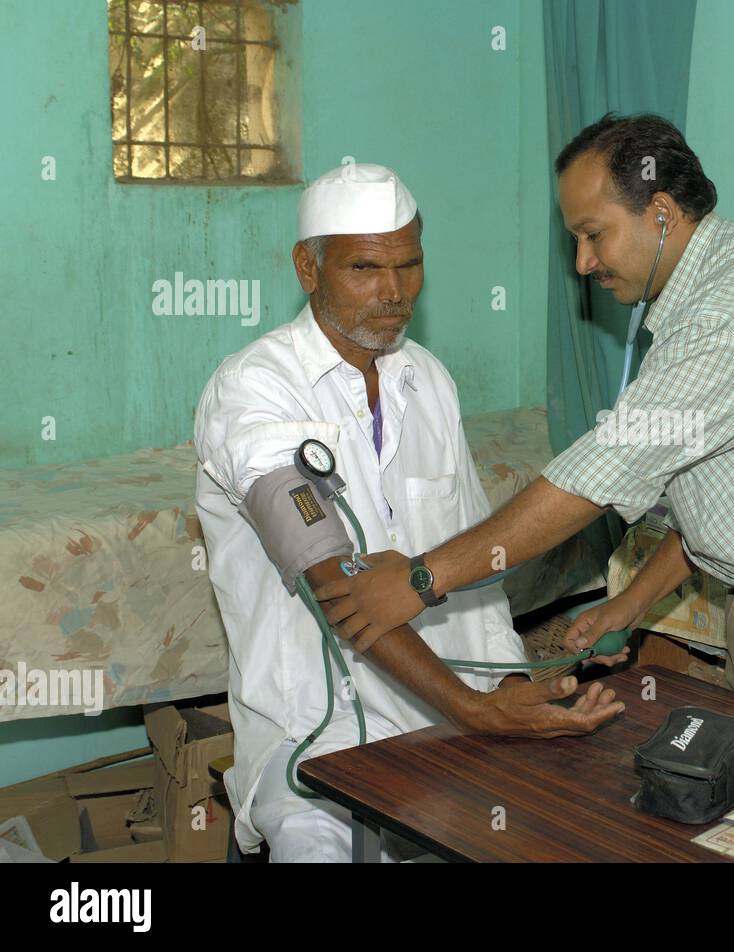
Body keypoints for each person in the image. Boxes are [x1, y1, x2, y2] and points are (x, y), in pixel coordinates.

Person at [315, 117, 734, 751]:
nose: (583, 262)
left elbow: (593, 478)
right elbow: (729, 493)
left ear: (659, 211)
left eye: (593, 234)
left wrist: (422, 580)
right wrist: (630, 605)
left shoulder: (733, 313)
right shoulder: (708, 292)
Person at [194, 163, 622, 862]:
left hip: (448, 720)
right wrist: (474, 708)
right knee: (316, 843)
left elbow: (477, 566)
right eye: (365, 267)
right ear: (309, 266)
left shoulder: (429, 381)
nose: (394, 293)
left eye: (410, 265)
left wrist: (511, 688)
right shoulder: (254, 390)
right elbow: (330, 578)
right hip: (317, 735)